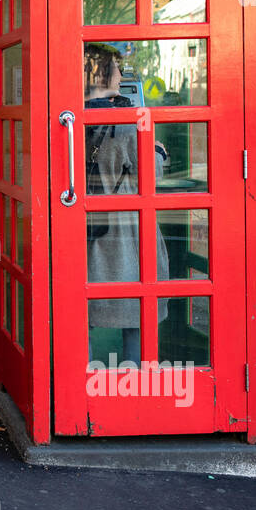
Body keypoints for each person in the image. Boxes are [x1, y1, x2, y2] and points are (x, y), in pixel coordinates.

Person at [83, 43, 169, 365]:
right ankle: (137, 382)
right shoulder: (128, 122)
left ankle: (84, 379)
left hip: (86, 231)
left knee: (82, 316)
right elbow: (150, 178)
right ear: (102, 73)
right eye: (117, 68)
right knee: (136, 314)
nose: (121, 75)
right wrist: (158, 151)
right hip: (126, 231)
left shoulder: (70, 118)